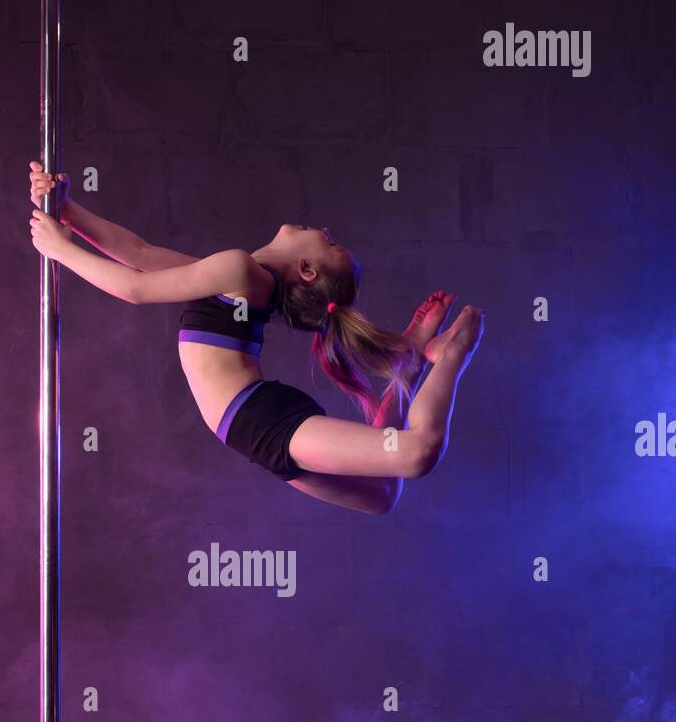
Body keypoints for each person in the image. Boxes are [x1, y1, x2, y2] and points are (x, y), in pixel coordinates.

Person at [29, 162, 484, 514]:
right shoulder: (241, 277)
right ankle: (409, 363)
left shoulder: (238, 269)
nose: (324, 230)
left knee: (415, 454)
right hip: (251, 428)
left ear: (307, 269)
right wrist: (69, 210)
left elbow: (135, 288)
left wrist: (61, 248)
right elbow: (140, 254)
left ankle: (451, 355)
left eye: (330, 243)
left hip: (259, 420)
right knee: (383, 494)